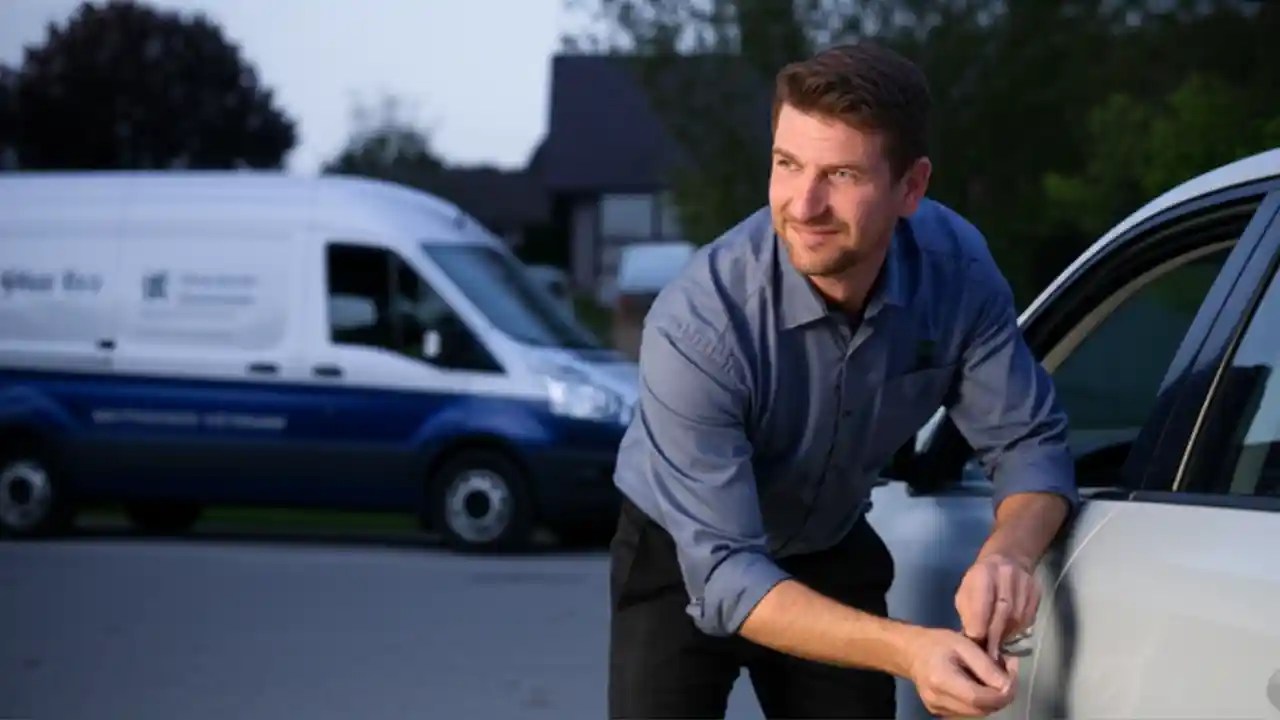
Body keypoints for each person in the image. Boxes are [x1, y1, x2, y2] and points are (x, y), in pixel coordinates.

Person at [607, 40, 1079, 720]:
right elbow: (728, 576)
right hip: (687, 546)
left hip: (829, 537)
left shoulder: (958, 273)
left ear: (910, 187)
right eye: (787, 164)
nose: (804, 203)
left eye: (842, 175)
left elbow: (1030, 446)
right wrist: (911, 650)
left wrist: (1008, 551)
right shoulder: (698, 323)